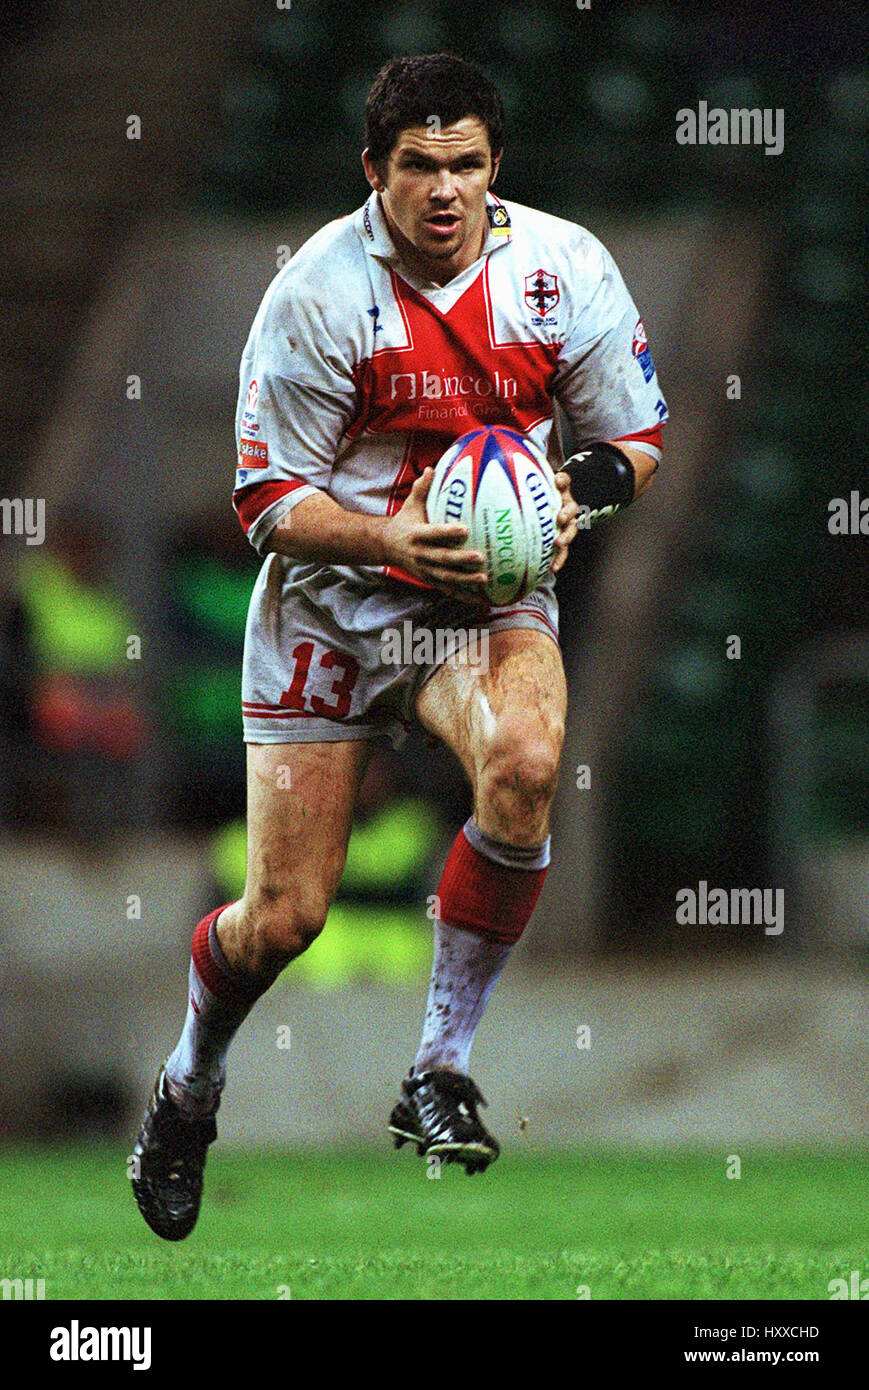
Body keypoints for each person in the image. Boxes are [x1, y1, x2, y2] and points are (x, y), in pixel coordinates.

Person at [131, 52, 667, 1240]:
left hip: (476, 604)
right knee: (282, 920)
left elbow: (631, 443)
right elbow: (266, 503)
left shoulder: (562, 270)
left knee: (526, 764)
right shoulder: (317, 294)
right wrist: (389, 538)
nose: (443, 190)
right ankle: (187, 1087)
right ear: (373, 171)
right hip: (328, 602)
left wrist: (566, 495)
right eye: (417, 166)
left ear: (494, 167)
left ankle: (436, 1065)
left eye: (464, 164)